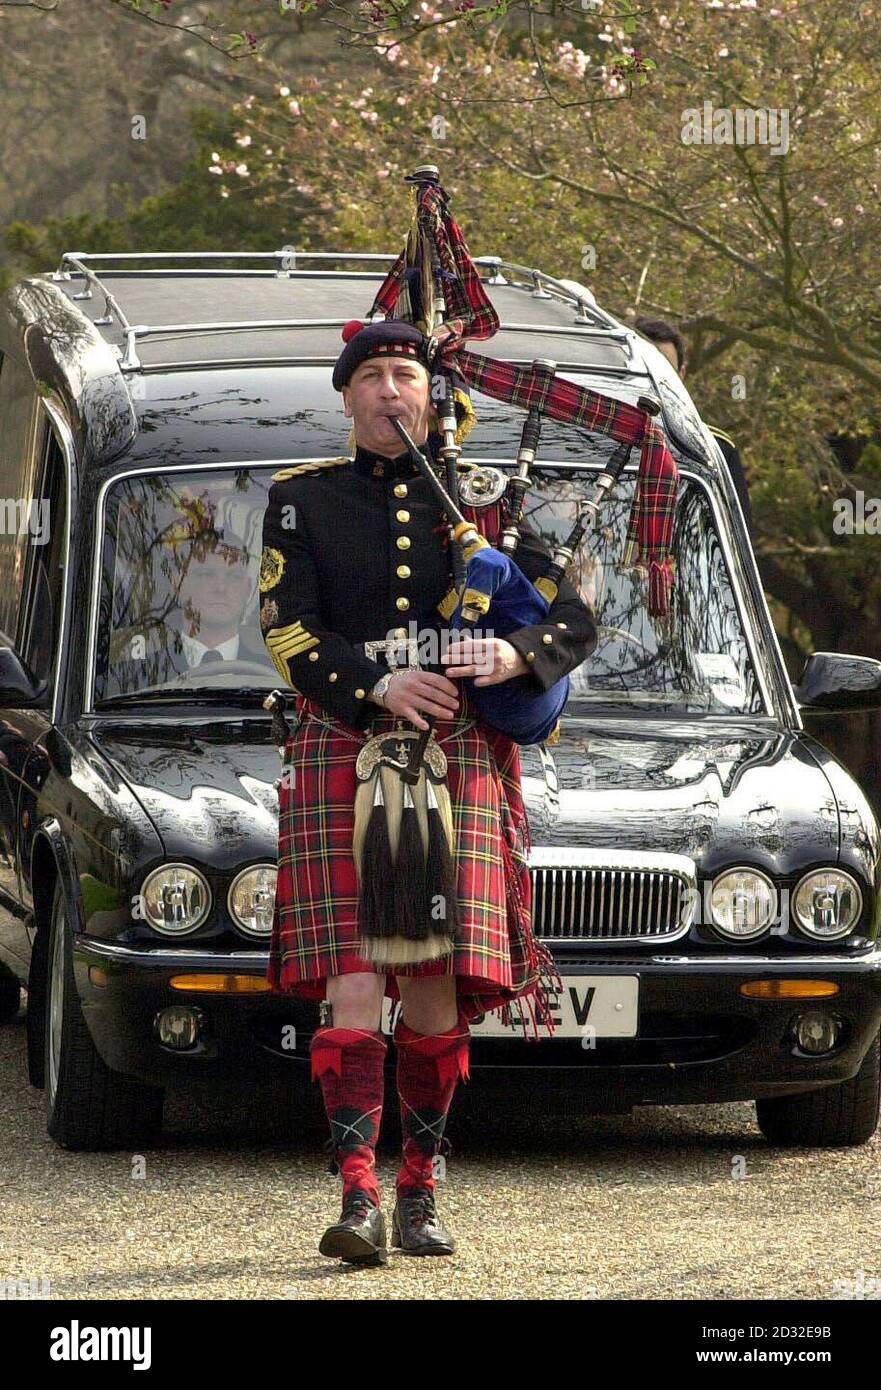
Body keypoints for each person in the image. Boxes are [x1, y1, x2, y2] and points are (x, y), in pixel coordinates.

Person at [259, 318, 598, 1266]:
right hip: (347, 745)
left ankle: (420, 1192)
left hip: (459, 756)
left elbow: (575, 617)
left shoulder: (487, 503)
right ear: (344, 397)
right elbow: (288, 632)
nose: (386, 392)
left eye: (403, 374)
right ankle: (357, 1195)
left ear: (430, 394)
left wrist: (513, 653)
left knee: (434, 982)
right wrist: (377, 686)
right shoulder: (301, 502)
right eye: (368, 377)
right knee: (356, 979)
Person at [634, 316, 753, 531]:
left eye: (665, 371)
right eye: (646, 369)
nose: (654, 380)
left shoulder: (714, 450)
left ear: (681, 374)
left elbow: (738, 541)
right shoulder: (593, 437)